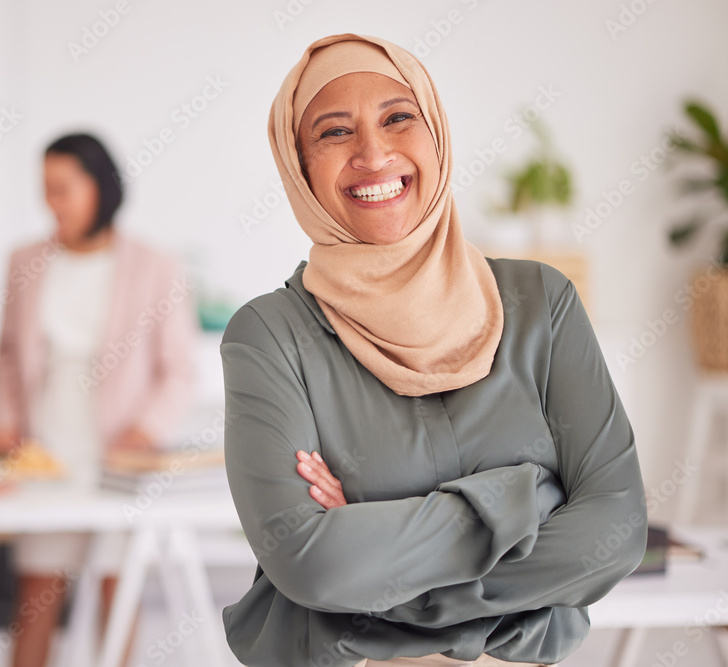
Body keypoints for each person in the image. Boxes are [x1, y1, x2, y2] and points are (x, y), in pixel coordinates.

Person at [220, 34, 647, 667]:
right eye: (334, 133)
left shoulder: (542, 303)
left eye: (398, 117)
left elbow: (612, 534)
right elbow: (313, 564)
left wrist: (381, 569)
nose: (373, 152)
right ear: (299, 166)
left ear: (437, 137)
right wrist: (531, 497)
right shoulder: (270, 335)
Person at [0, 132, 197, 667]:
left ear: (100, 189)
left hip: (119, 457)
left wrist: (144, 432)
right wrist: (6, 422)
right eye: (45, 189)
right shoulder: (24, 261)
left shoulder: (156, 266)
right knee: (36, 595)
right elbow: (9, 355)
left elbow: (178, 371)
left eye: (62, 189)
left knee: (116, 590)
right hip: (46, 451)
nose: (50, 202)